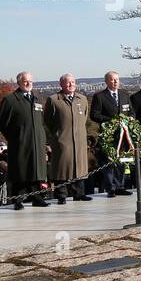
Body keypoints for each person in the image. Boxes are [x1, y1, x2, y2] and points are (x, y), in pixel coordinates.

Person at [0, 71, 50, 209]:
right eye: (25, 81)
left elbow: (41, 122)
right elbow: (2, 122)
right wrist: (15, 137)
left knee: (36, 171)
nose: (28, 84)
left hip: (37, 143)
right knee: (20, 171)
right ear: (19, 82)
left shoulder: (37, 99)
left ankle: (37, 197)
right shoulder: (10, 99)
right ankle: (17, 200)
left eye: (30, 81)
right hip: (20, 142)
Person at [43, 73, 92, 203]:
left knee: (79, 167)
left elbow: (84, 117)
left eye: (73, 82)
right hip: (63, 139)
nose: (71, 85)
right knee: (62, 168)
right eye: (68, 82)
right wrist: (58, 133)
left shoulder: (82, 99)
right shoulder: (54, 99)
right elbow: (48, 120)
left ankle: (79, 193)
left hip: (79, 139)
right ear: (61, 84)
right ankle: (61, 195)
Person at [89, 70, 133, 197]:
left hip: (123, 135)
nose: (115, 82)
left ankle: (120, 186)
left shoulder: (125, 94)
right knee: (109, 163)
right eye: (112, 80)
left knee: (121, 162)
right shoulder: (100, 96)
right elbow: (95, 115)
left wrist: (129, 119)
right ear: (106, 81)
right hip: (109, 136)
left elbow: (131, 112)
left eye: (117, 79)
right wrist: (112, 121)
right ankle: (111, 188)